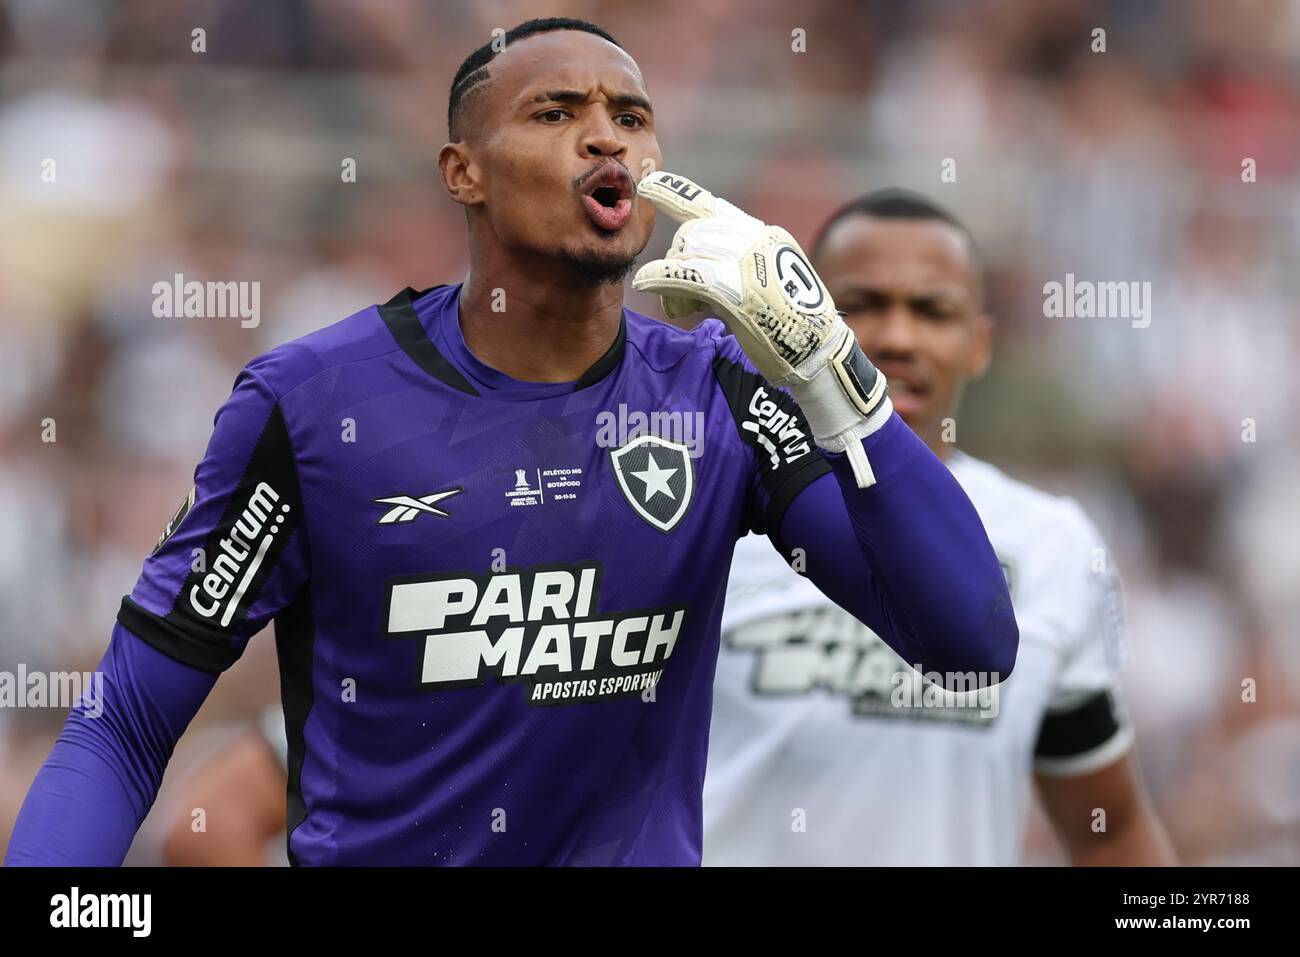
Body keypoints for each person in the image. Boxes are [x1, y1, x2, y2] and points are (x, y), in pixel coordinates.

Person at [5, 20, 1014, 867]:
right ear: (463, 173)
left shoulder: (717, 394)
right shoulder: (312, 405)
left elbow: (968, 646)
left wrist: (831, 365)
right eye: (555, 113)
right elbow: (127, 727)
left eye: (630, 118)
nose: (604, 139)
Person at [703, 190, 1175, 866]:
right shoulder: (723, 508)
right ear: (797, 320)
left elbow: (1111, 830)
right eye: (859, 306)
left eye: (933, 310)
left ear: (979, 344)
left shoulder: (1053, 544)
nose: (896, 336)